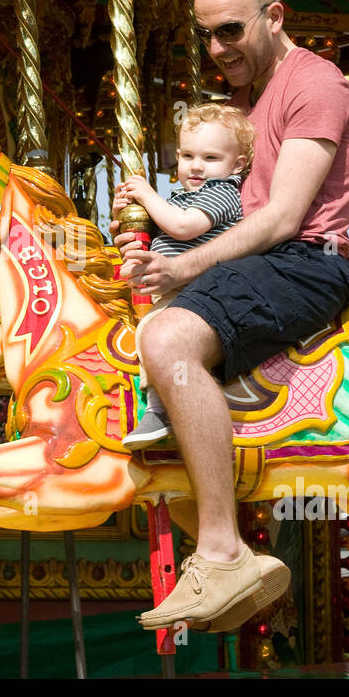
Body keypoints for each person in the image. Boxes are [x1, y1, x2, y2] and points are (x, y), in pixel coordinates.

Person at [115, 0, 349, 632]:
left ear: (273, 16)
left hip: (304, 262)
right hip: (263, 258)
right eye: (207, 36)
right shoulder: (257, 99)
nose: (217, 50)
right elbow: (228, 207)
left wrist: (186, 266)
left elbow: (283, 218)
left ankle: (222, 550)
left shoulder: (317, 86)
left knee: (166, 337)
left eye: (229, 31)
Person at [111, 102, 255, 448]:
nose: (196, 166)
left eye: (210, 158)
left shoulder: (222, 193)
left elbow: (184, 227)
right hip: (174, 288)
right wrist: (129, 214)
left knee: (152, 330)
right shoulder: (181, 196)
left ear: (237, 165)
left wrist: (146, 194)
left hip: (201, 288)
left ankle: (162, 409)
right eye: (188, 156)